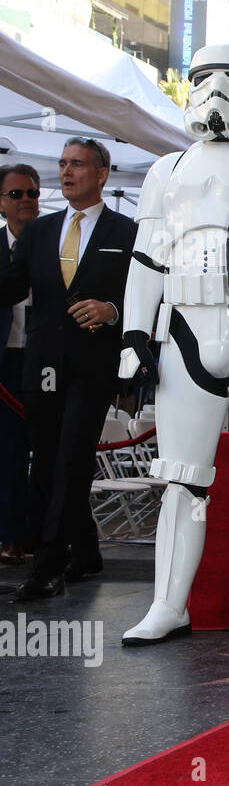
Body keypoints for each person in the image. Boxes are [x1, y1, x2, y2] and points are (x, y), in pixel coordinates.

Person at [118, 45, 229, 645]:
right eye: (203, 78)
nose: (217, 90)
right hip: (183, 324)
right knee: (182, 479)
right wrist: (134, 335)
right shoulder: (167, 170)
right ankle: (168, 603)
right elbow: (146, 257)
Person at [0, 138, 136, 599]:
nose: (66, 171)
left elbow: (142, 296)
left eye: (76, 164)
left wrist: (111, 310)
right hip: (41, 363)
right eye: (61, 164)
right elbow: (13, 286)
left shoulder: (127, 231)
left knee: (72, 459)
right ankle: (87, 550)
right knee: (47, 462)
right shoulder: (39, 231)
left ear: (102, 174)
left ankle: (48, 563)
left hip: (94, 364)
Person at [0, 163, 40, 565]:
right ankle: (10, 536)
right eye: (16, 194)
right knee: (8, 454)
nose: (26, 200)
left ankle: (42, 537)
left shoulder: (54, 240)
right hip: (6, 362)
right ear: (1, 203)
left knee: (47, 453)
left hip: (45, 359)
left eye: (31, 193)